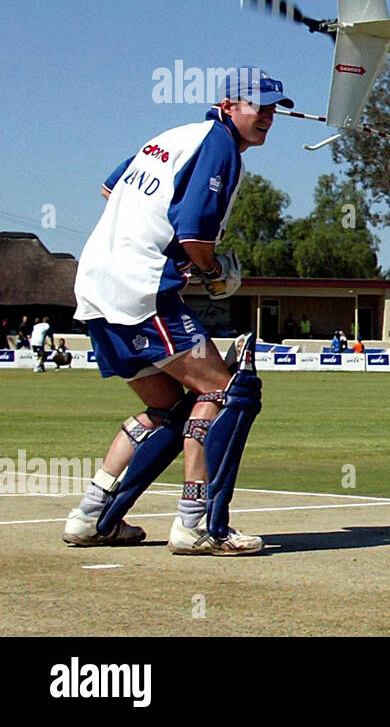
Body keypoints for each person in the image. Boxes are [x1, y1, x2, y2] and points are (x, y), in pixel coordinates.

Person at [63, 67, 293, 556]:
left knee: (166, 408)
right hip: (141, 288)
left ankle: (90, 516)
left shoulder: (172, 137)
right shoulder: (220, 146)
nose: (268, 117)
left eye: (274, 108)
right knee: (227, 391)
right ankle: (197, 523)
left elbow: (110, 189)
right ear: (228, 106)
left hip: (95, 284)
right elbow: (193, 231)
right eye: (258, 106)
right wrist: (212, 273)